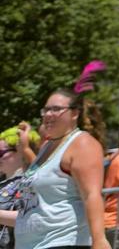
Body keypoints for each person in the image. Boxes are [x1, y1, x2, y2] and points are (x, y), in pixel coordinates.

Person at [2, 84, 111, 249]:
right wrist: (24, 148)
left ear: (74, 113)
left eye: (56, 109)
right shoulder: (48, 146)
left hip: (62, 242)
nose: (48, 114)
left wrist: (99, 240)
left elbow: (91, 195)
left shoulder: (82, 144)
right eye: (46, 110)